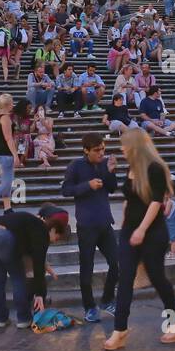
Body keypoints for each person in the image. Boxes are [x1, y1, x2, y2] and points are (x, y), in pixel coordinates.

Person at [104, 128, 175, 350]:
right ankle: (119, 330)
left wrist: (141, 229)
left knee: (158, 279)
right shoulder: (132, 168)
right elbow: (130, 199)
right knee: (125, 279)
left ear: (135, 146)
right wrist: (125, 223)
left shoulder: (155, 168)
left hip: (153, 233)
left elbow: (154, 202)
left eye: (125, 144)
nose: (121, 148)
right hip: (130, 231)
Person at [61, 134, 120, 323]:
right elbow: (66, 190)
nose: (101, 153)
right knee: (87, 268)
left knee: (117, 263)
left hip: (105, 222)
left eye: (103, 149)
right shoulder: (75, 166)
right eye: (97, 150)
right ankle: (89, 307)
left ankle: (107, 299)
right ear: (86, 150)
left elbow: (111, 189)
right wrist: (87, 185)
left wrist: (110, 172)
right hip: (86, 225)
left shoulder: (104, 164)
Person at [0, 203, 69, 329]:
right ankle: (23, 319)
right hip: (2, 236)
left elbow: (35, 257)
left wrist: (46, 269)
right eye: (57, 238)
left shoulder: (31, 226)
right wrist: (39, 294)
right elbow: (38, 263)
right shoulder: (42, 231)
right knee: (18, 278)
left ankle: (1, 319)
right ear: (53, 229)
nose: (54, 241)